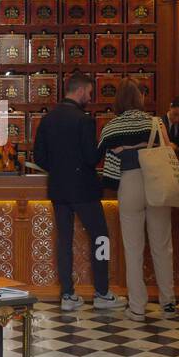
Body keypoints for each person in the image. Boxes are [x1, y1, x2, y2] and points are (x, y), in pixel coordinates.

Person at [32, 70, 123, 312]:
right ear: (81, 90)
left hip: (59, 189)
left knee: (64, 241)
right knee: (101, 237)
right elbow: (91, 158)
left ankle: (67, 295)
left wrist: (60, 169)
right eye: (90, 92)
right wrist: (104, 143)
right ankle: (102, 292)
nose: (91, 98)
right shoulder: (83, 120)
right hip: (84, 190)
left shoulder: (48, 119)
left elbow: (38, 157)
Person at [98, 78, 177, 319]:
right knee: (162, 245)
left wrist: (126, 151)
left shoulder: (111, 127)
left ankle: (137, 307)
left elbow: (102, 152)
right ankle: (168, 302)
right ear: (140, 98)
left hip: (129, 182)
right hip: (156, 183)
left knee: (133, 249)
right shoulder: (155, 122)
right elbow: (168, 150)